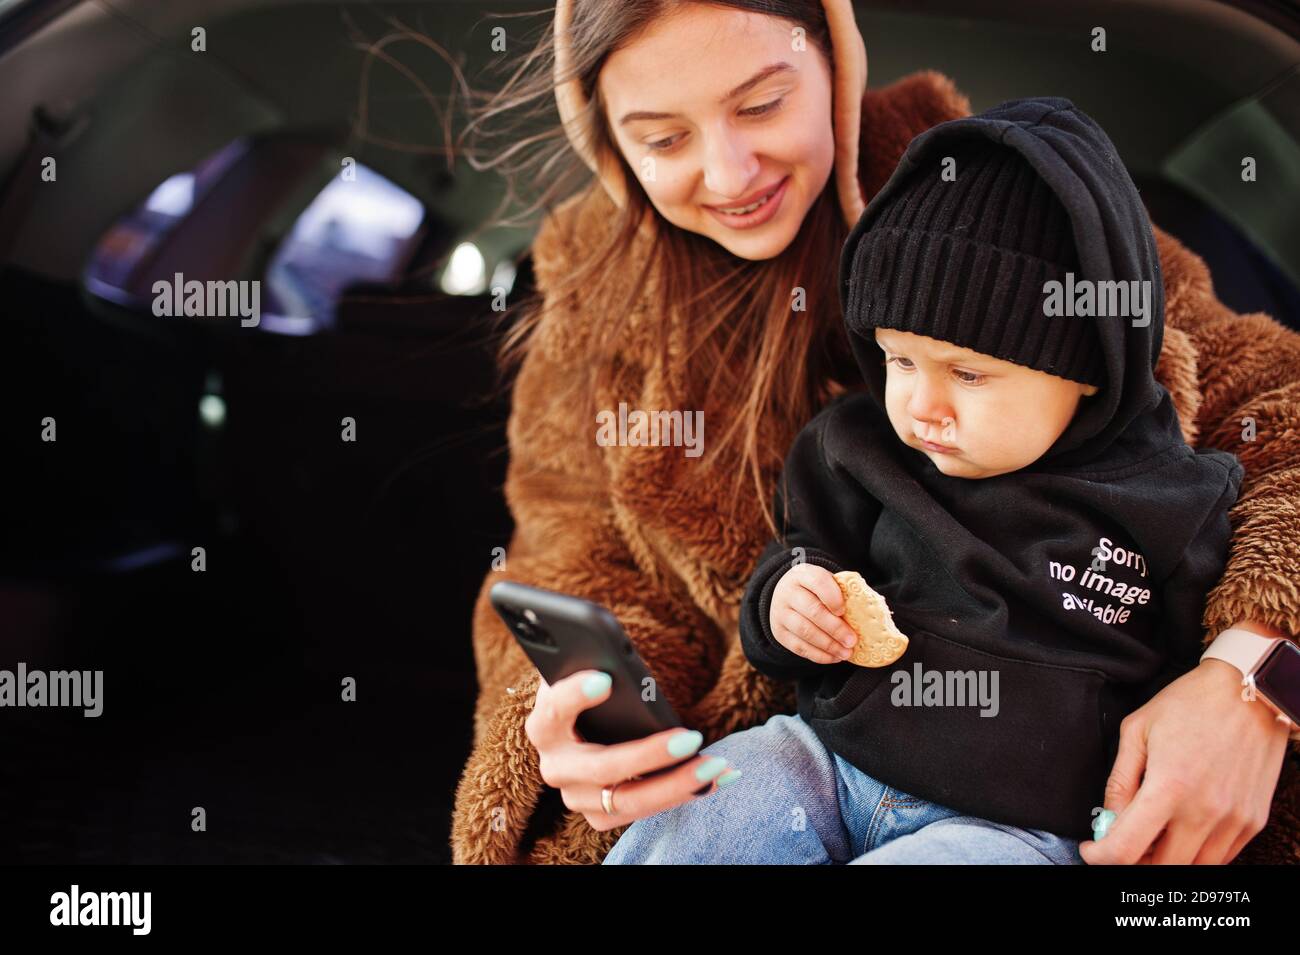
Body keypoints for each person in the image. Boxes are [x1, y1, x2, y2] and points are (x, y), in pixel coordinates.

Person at [450, 0, 1300, 865]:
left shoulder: (1035, 211)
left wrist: (1254, 678)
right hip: (776, 768)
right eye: (663, 139)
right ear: (610, 145)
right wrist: (573, 712)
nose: (730, 169)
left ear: (836, 61)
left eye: (760, 105)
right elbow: (569, 562)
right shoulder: (596, 301)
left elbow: (1283, 417)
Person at [603, 100, 1251, 863]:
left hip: (1015, 827)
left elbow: (1206, 662)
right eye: (899, 360)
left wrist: (1242, 685)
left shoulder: (1168, 502)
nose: (922, 404)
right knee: (710, 806)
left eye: (969, 373)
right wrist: (786, 605)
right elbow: (804, 551)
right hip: (825, 762)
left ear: (1089, 369)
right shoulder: (861, 448)